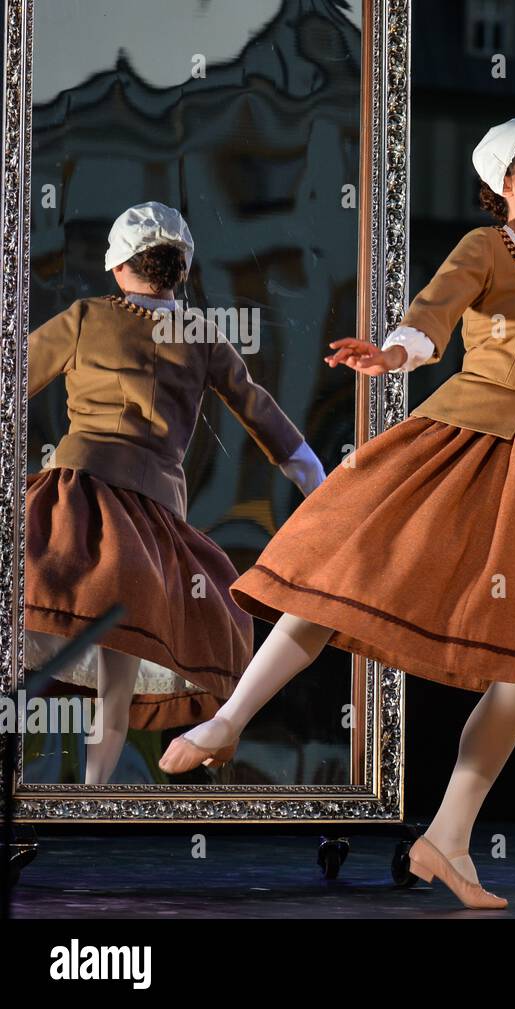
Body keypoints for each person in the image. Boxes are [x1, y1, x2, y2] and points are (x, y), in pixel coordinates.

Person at [157, 119, 515, 908]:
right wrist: (394, 353)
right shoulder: (487, 248)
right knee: (342, 569)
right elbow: (434, 310)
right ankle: (229, 718)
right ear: (503, 181)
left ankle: (450, 836)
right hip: (465, 439)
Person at [25, 201, 325, 785]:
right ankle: (92, 795)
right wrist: (316, 481)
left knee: (28, 605)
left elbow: (12, 376)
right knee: (119, 658)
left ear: (118, 268)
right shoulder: (203, 335)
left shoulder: (86, 316)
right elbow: (259, 410)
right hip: (152, 523)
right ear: (182, 270)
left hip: (76, 497)